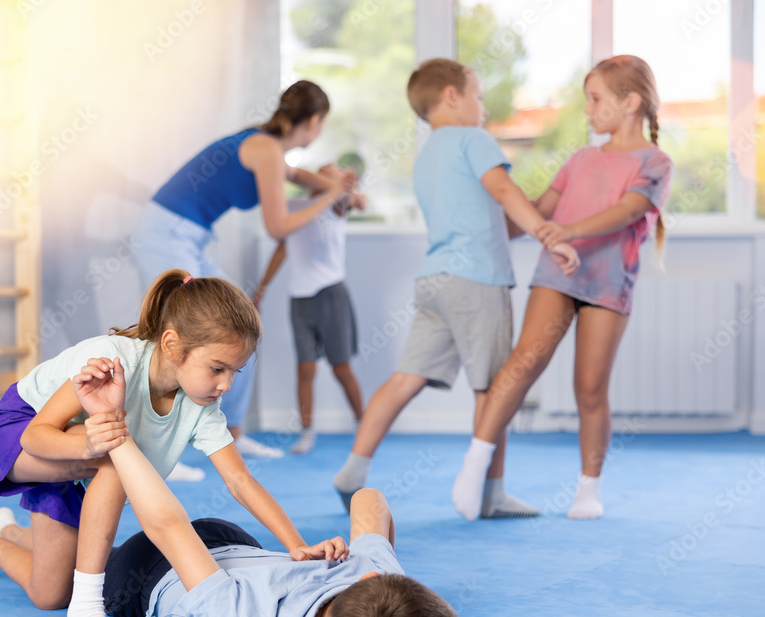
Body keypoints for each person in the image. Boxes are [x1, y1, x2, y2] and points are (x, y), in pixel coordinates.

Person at [0, 269, 347, 617]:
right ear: (172, 345)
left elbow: (240, 480)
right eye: (217, 368)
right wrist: (87, 442)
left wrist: (295, 545)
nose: (226, 384)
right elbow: (35, 436)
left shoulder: (202, 406)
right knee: (116, 455)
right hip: (27, 428)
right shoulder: (110, 363)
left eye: (234, 372)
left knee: (49, 593)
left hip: (85, 455)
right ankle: (85, 616)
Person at [71, 355, 463, 617]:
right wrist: (311, 558)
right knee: (71, 556)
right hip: (230, 541)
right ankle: (14, 532)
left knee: (54, 584)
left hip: (146, 577)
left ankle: (5, 535)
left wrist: (114, 428)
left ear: (370, 581)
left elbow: (169, 529)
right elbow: (368, 499)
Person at [331, 59, 581, 520]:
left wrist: (539, 211)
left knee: (406, 378)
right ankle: (491, 494)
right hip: (477, 282)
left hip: (435, 280)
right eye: (479, 96)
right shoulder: (474, 139)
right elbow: (505, 192)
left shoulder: (427, 155)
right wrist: (548, 232)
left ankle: (352, 470)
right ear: (451, 96)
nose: (483, 107)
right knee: (495, 389)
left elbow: (494, 221)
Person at [456, 55, 674, 520]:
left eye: (595, 99)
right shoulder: (580, 159)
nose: (588, 110)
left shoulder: (656, 161)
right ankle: (474, 464)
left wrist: (570, 231)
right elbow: (539, 209)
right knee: (522, 363)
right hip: (558, 273)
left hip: (608, 286)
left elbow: (629, 211)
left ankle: (588, 489)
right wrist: (487, 217)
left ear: (630, 101)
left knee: (590, 389)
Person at [131, 80, 358, 462]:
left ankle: (230, 436)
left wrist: (342, 191)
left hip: (191, 237)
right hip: (165, 231)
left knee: (241, 323)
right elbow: (278, 227)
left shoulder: (269, 149)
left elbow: (305, 180)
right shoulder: (265, 148)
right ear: (315, 121)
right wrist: (335, 195)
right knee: (172, 335)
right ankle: (152, 451)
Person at [252, 161, 367, 454]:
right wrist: (262, 287)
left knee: (341, 369)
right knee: (305, 370)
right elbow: (283, 247)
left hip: (331, 294)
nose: (327, 176)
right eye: (324, 172)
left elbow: (356, 202)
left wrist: (349, 192)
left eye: (334, 174)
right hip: (299, 299)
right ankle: (307, 432)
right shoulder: (294, 207)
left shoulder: (335, 206)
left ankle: (363, 425)